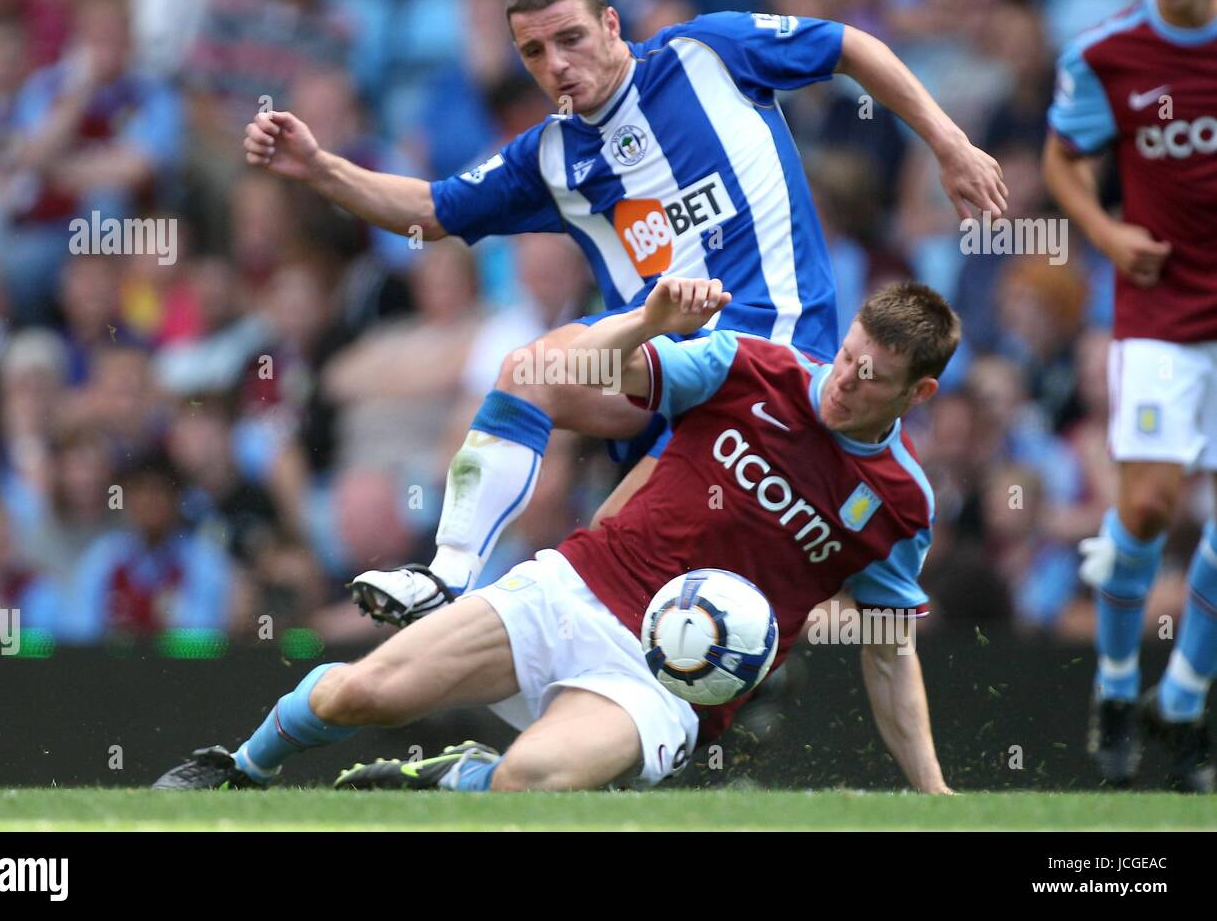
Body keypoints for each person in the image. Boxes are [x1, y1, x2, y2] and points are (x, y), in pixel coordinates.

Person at [241, 0, 1006, 624]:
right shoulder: (549, 159)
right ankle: (447, 578)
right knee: (546, 421)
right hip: (659, 376)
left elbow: (849, 46)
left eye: (570, 37)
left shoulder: (709, 52)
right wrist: (320, 168)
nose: (557, 64)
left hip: (775, 374)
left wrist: (948, 141)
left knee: (600, 585)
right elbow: (428, 211)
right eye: (534, 51)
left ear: (611, 23)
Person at [153, 276, 956, 794]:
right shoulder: (750, 366)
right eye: (847, 354)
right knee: (357, 694)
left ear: (916, 393)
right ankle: (239, 768)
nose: (842, 380)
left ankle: (456, 780)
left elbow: (889, 651)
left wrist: (934, 796)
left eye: (869, 378)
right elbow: (573, 373)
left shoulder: (899, 503)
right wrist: (645, 322)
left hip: (665, 684)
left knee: (529, 780)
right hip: (571, 589)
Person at [1043, 0, 1217, 792]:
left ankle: (1183, 699)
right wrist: (1107, 233)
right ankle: (1117, 686)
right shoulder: (1107, 54)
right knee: (1148, 508)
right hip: (1159, 317)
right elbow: (1064, 157)